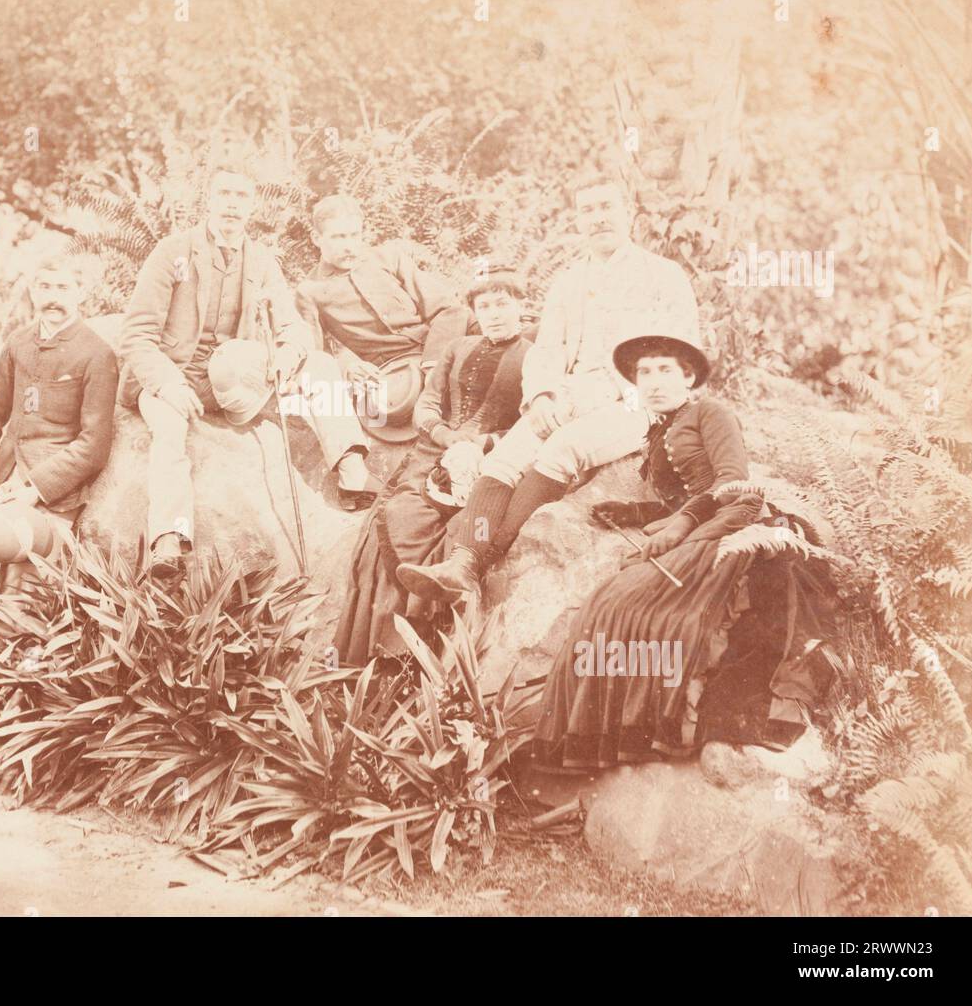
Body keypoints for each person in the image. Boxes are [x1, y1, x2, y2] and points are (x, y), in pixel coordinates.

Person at [526, 333, 838, 775]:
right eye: (644, 373)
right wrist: (636, 511)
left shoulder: (712, 413)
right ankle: (597, 741)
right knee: (608, 604)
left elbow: (734, 488)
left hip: (734, 529)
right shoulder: (660, 431)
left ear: (688, 376)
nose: (652, 382)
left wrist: (680, 529)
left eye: (664, 370)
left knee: (653, 612)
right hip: (700, 526)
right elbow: (683, 498)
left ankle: (655, 729)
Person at [396, 174, 699, 602]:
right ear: (577, 220)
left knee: (562, 448)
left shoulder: (663, 276)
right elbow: (547, 350)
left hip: (637, 399)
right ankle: (462, 561)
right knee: (502, 460)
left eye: (606, 207)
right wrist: (540, 395)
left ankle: (480, 559)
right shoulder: (568, 282)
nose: (597, 219)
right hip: (569, 391)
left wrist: (619, 390)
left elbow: (682, 353)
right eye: (587, 210)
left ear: (628, 211)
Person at [117, 160, 381, 578]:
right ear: (208, 199)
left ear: (253, 205)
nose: (232, 205)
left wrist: (287, 352)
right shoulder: (173, 253)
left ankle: (350, 467)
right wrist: (167, 383)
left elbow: (293, 327)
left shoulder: (260, 260)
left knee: (321, 364)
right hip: (174, 377)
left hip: (234, 377)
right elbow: (136, 333)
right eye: (224, 194)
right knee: (170, 433)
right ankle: (168, 536)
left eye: (242, 196)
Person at [0, 254, 119, 774]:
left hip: (50, 505)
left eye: (63, 283)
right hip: (4, 493)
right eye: (44, 281)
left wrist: (33, 491)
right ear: (32, 288)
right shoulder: (17, 345)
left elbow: (93, 445)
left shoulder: (97, 354)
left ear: (81, 289)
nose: (52, 293)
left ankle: (4, 740)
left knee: (21, 608)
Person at [333, 266, 530, 667]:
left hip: (492, 460)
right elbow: (426, 404)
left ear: (520, 306)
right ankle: (378, 655)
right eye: (485, 305)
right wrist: (443, 435)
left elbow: (530, 421)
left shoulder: (534, 356)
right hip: (431, 451)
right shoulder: (457, 347)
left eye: (502, 304)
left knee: (462, 530)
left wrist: (484, 443)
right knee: (393, 516)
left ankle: (426, 653)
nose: (493, 313)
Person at [294, 192, 471, 393]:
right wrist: (348, 367)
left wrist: (434, 363)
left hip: (437, 349)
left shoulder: (387, 257)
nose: (349, 246)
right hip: (393, 374)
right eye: (338, 237)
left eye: (355, 235)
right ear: (316, 238)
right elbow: (317, 353)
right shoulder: (309, 290)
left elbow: (447, 308)